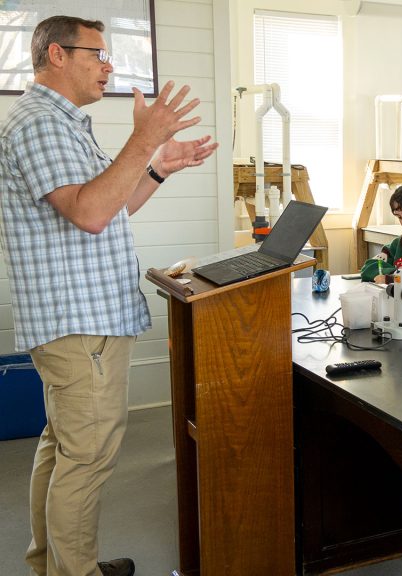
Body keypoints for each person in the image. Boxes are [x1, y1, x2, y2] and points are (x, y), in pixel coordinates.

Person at [0, 16, 217, 576]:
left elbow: (111, 205)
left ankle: (55, 563)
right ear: (56, 55)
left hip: (82, 318)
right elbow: (91, 213)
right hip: (79, 323)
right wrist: (144, 137)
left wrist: (157, 167)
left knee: (65, 447)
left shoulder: (64, 124)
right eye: (96, 54)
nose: (108, 65)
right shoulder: (41, 125)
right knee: (88, 456)